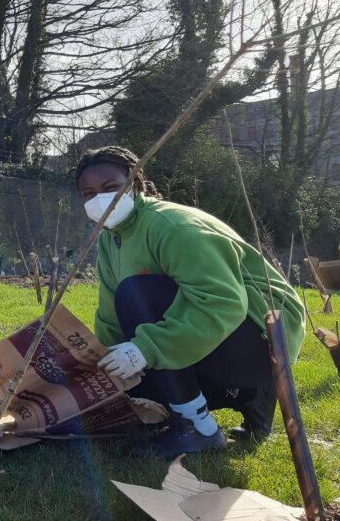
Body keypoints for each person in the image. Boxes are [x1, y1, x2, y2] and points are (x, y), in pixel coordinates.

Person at [76, 146, 306, 458]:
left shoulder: (170, 225)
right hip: (222, 336)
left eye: (110, 187)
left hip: (262, 336)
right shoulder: (109, 237)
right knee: (139, 389)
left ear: (135, 184)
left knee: (137, 294)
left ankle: (197, 426)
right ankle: (249, 395)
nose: (99, 199)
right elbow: (110, 312)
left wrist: (145, 349)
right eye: (88, 193)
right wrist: (101, 364)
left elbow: (222, 301)